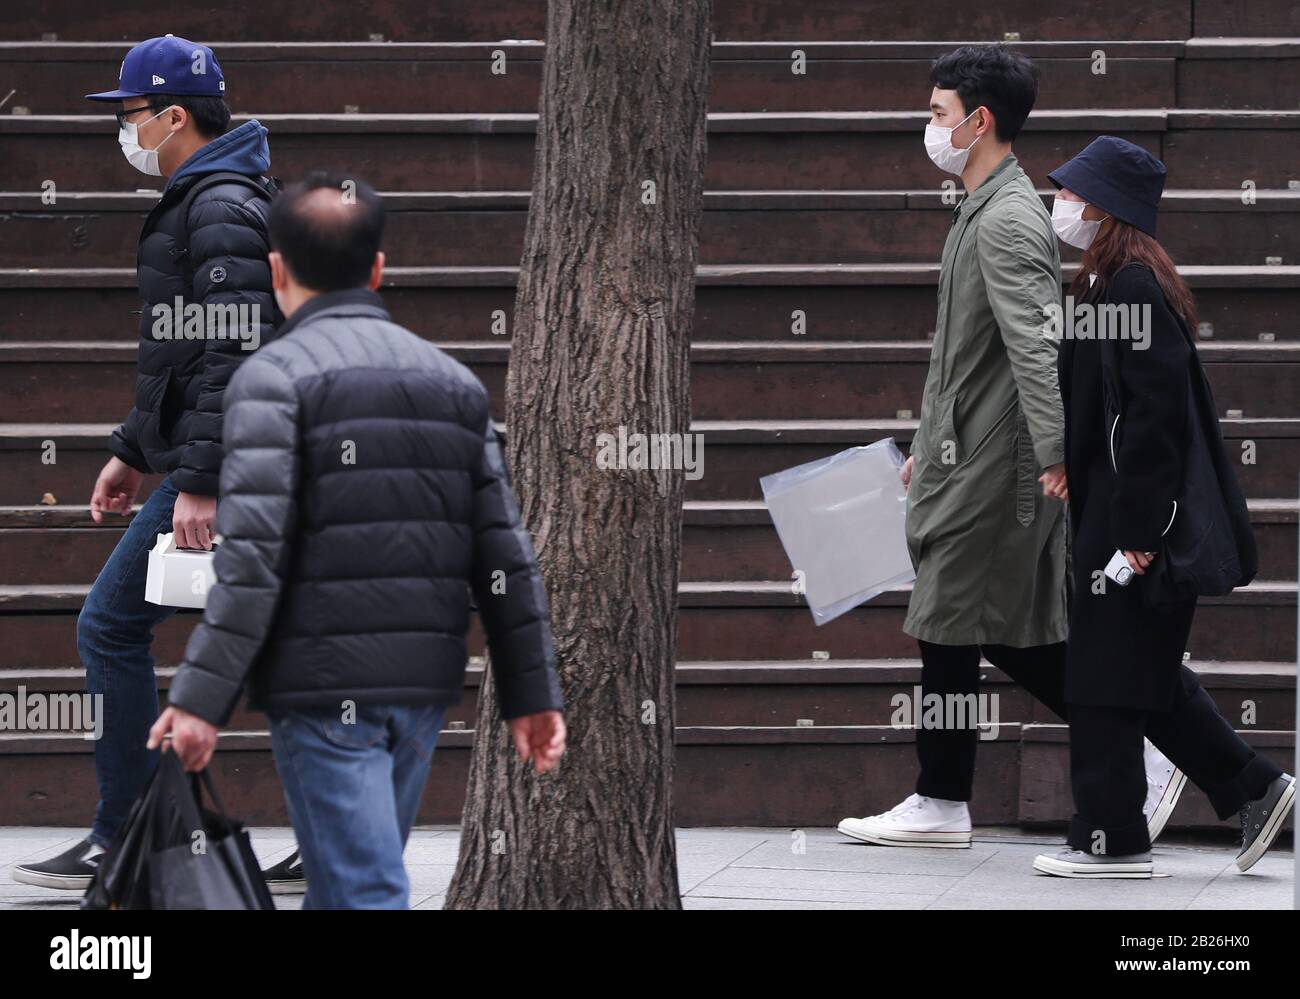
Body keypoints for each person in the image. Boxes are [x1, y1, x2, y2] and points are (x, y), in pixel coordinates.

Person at [145, 172, 567, 909]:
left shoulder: (272, 380)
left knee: (362, 887)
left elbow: (251, 561)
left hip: (321, 685)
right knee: (348, 882)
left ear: (276, 270)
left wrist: (198, 699)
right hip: (421, 685)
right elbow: (504, 554)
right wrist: (532, 693)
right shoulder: (453, 383)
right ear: (377, 269)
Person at [838, 46, 1185, 849]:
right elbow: (961, 356)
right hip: (971, 456)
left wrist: (1057, 455)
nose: (929, 126)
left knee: (960, 620)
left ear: (978, 120)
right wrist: (930, 440)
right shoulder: (979, 209)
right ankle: (954, 791)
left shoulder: (1005, 219)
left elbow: (1035, 349)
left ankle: (952, 793)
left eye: (937, 113)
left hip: (1000, 469)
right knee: (977, 624)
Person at [11, 35, 288, 891]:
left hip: (232, 457)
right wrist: (134, 452)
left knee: (108, 624)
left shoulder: (216, 204)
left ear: (173, 116)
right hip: (219, 451)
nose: (123, 132)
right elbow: (181, 349)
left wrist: (199, 478)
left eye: (129, 116)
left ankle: (123, 828)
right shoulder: (208, 196)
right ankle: (332, 825)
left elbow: (236, 347)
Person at [1031, 136, 1295, 878]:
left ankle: (1110, 840)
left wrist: (1138, 532)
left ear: (1106, 208)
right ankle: (1255, 787)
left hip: (1131, 526)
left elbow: (1154, 421)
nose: (1064, 206)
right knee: (1127, 673)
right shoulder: (1106, 285)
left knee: (1105, 679)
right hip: (1109, 512)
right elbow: (1097, 402)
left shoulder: (1134, 288)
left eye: (1075, 194)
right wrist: (1072, 470)